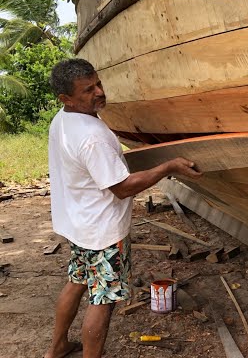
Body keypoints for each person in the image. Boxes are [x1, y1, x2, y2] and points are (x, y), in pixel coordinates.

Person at [43, 58, 201, 358]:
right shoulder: (92, 136)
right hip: (102, 232)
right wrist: (168, 166)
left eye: (98, 83)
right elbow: (123, 187)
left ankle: (57, 348)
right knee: (103, 299)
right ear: (66, 98)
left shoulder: (63, 119)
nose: (99, 92)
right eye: (88, 90)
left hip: (77, 224)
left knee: (77, 282)